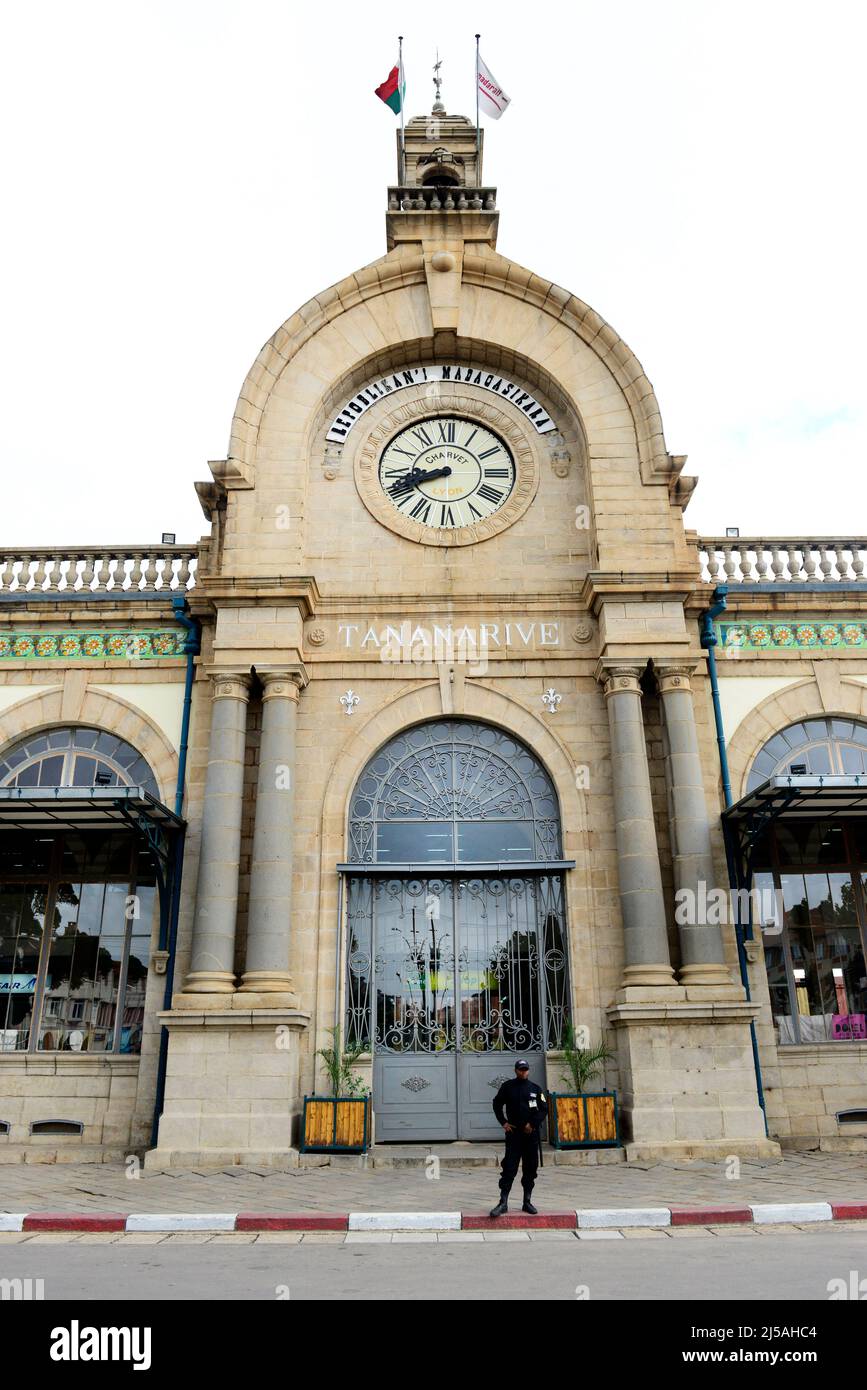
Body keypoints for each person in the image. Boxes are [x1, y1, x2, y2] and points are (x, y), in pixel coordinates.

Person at [489, 1059, 548, 1217]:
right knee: (509, 1168)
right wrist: (503, 1122)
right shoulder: (508, 1087)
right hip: (514, 1135)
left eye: (526, 1069)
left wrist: (533, 1124)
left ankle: (527, 1201)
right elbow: (496, 1103)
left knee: (530, 1169)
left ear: (529, 1071)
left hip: (530, 1136)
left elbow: (543, 1109)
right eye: (521, 1069)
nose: (523, 1072)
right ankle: (503, 1202)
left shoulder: (535, 1089)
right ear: (515, 1070)